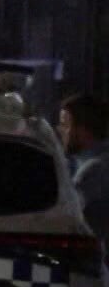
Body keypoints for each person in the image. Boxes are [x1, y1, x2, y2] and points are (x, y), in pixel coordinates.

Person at [59, 93, 109, 240]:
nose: (59, 130)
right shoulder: (79, 162)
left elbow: (65, 213)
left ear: (83, 131)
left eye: (65, 125)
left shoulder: (95, 169)